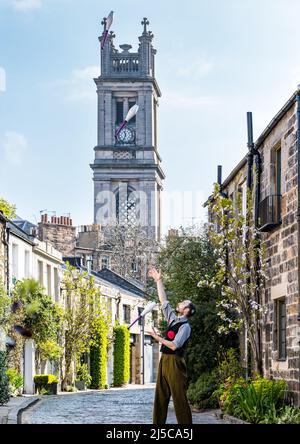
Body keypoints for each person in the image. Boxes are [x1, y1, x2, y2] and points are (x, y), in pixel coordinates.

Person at [147, 267, 196, 424]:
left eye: (183, 303)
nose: (180, 303)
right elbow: (164, 301)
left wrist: (156, 337)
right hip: (165, 360)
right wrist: (158, 281)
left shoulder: (185, 327)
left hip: (175, 362)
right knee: (160, 397)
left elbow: (175, 346)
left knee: (179, 399)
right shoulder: (174, 320)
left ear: (186, 310)